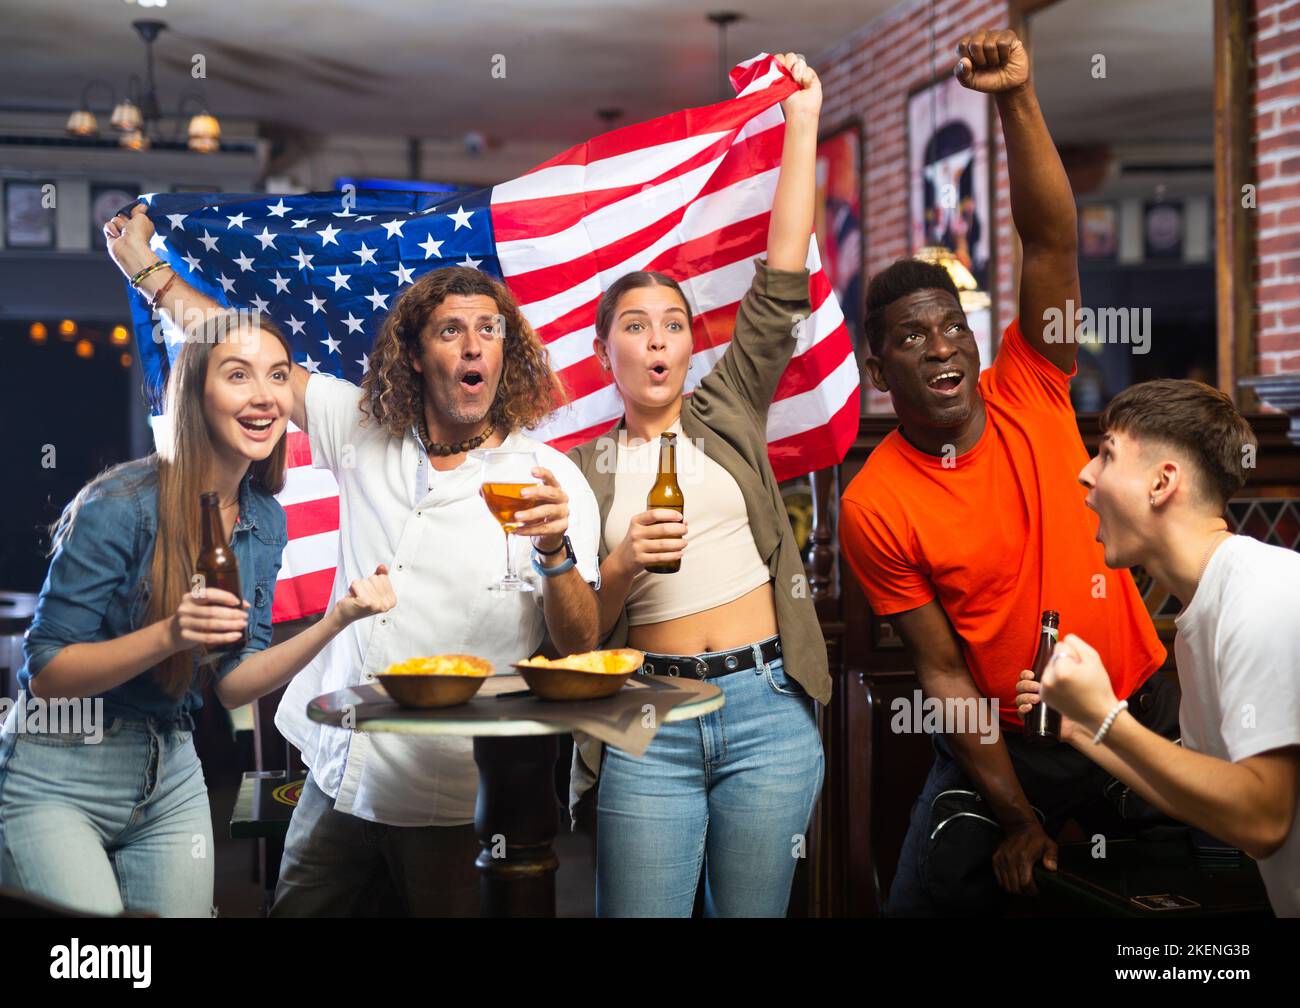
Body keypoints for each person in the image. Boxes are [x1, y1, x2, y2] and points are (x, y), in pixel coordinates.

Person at [102, 207, 601, 916]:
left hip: (453, 796)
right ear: (417, 354)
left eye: (489, 330)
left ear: (506, 353)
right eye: (450, 331)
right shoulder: (362, 428)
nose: (473, 347)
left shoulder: (552, 479)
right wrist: (146, 271)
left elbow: (582, 642)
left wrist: (555, 552)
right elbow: (234, 351)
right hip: (338, 773)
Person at [838, 28, 1178, 916]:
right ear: (880, 373)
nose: (940, 347)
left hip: (1134, 705)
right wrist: (1018, 814)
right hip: (1010, 742)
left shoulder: (1030, 380)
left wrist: (1015, 99)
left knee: (1197, 899)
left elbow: (1051, 240)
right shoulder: (874, 502)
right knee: (924, 902)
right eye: (910, 338)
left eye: (951, 325)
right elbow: (946, 677)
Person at [0, 311, 395, 917]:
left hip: (172, 771)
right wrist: (172, 634)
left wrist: (337, 619)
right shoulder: (119, 504)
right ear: (194, 394)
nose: (264, 395)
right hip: (57, 769)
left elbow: (236, 682)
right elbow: (47, 673)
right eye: (239, 375)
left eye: (278, 376)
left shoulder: (265, 518)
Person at [566, 52, 829, 918]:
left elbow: (780, 276)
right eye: (635, 327)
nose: (657, 340)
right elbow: (572, 634)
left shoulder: (729, 409)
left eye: (672, 325)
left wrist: (801, 121)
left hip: (766, 710)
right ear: (606, 353)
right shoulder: (582, 473)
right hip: (648, 716)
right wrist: (622, 568)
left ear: (689, 345)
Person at [1018, 380, 1300, 917]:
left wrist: (1107, 716)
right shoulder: (1207, 612)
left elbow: (1262, 820)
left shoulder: (1262, 592)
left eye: (1106, 454)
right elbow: (1204, 799)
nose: (1086, 472)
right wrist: (1081, 728)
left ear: (1161, 482)